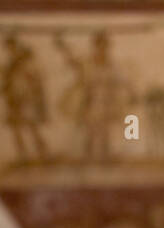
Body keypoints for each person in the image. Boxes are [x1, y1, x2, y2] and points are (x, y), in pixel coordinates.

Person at [55, 29, 129, 164]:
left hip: (106, 101)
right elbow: (74, 63)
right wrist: (62, 46)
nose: (102, 49)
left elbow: (117, 81)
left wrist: (121, 93)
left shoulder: (110, 64)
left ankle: (105, 157)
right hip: (92, 100)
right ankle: (88, 157)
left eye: (104, 46)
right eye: (100, 45)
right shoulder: (88, 62)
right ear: (96, 46)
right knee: (91, 130)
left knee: (104, 131)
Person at [0, 34, 48, 163]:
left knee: (31, 125)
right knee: (16, 128)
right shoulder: (9, 65)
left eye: (12, 47)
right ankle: (22, 155)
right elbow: (5, 82)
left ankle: (42, 153)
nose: (11, 51)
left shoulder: (26, 62)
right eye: (9, 48)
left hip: (26, 98)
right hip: (14, 99)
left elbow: (36, 78)